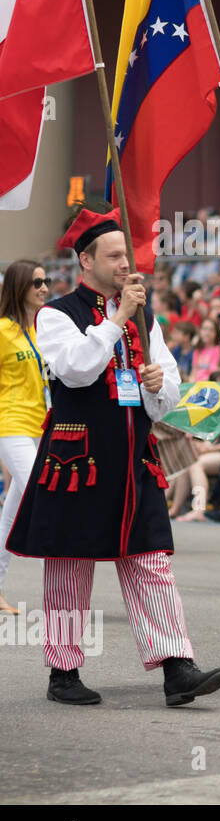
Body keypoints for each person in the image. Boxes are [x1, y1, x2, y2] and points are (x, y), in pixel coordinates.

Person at [7, 209, 220, 706]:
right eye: (114, 256)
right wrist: (117, 320)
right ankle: (63, 672)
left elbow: (168, 383)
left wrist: (158, 386)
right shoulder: (57, 313)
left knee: (150, 558)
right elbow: (77, 369)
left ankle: (177, 668)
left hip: (133, 455)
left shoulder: (142, 315)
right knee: (70, 562)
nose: (125, 264)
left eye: (126, 254)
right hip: (77, 455)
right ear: (85, 261)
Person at [0, 260, 50, 615]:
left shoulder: (41, 330)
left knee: (11, 513)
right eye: (37, 283)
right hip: (10, 424)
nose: (45, 288)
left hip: (40, 426)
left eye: (46, 281)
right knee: (39, 484)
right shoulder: (2, 329)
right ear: (20, 287)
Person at [189, 318, 220, 382]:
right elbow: (194, 370)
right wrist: (191, 381)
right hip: (195, 384)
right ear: (200, 331)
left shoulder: (217, 350)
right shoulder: (197, 350)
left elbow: (214, 371)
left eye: (211, 330)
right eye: (205, 329)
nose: (207, 333)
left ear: (216, 333)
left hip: (209, 383)